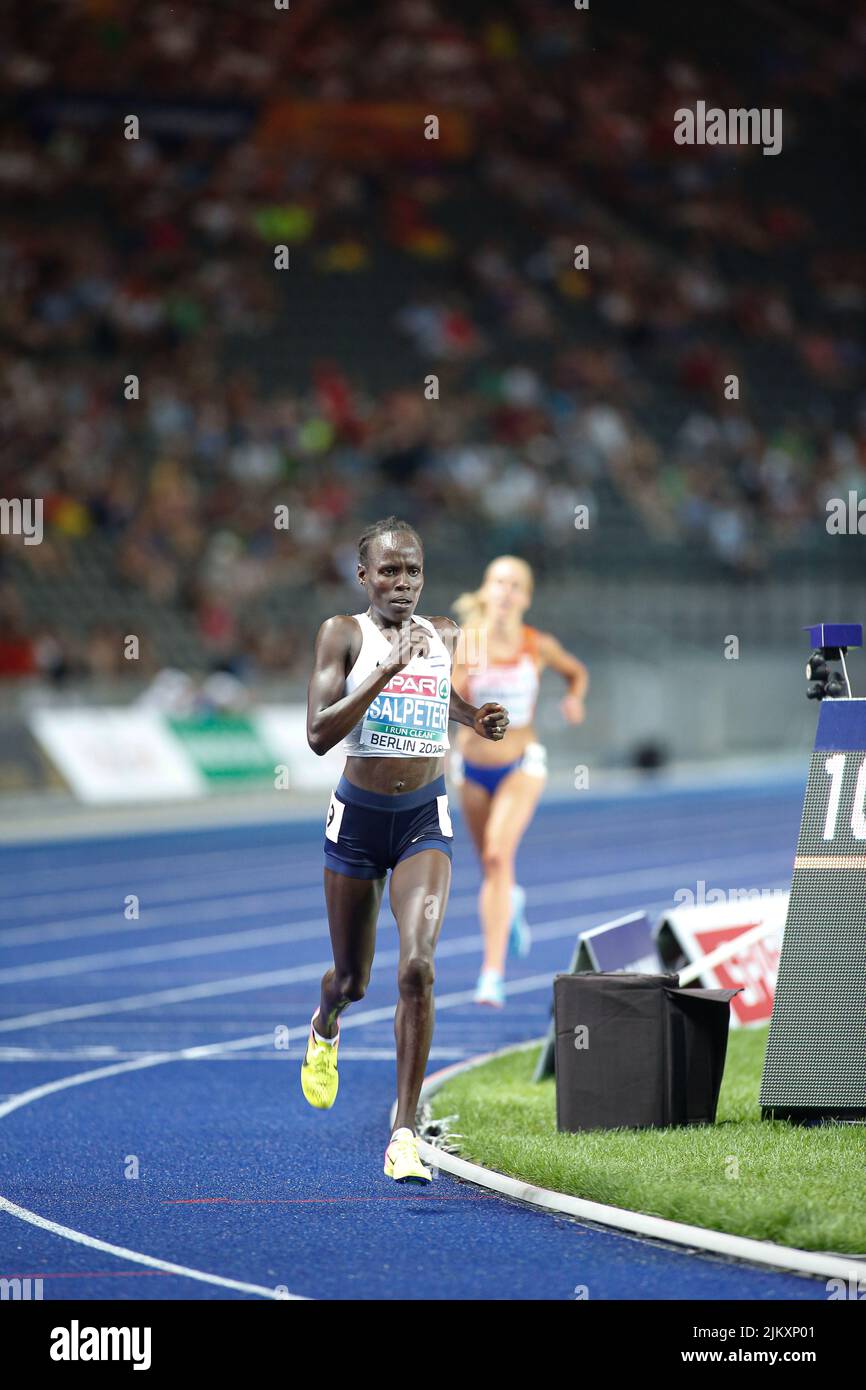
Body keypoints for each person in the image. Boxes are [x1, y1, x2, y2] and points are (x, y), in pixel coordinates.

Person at [302, 516, 509, 1182]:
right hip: (358, 824)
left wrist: (476, 718)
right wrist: (381, 674)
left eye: (413, 570)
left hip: (423, 818)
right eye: (389, 570)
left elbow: (440, 693)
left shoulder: (442, 634)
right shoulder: (342, 634)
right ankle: (326, 1019)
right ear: (363, 575)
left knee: (417, 969)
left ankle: (403, 1131)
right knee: (354, 980)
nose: (403, 583)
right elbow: (317, 733)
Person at [449, 555, 588, 1006]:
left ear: (526, 598)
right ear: (486, 591)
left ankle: (492, 974)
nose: (505, 592)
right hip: (470, 770)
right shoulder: (468, 643)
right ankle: (511, 899)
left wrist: (574, 699)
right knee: (490, 869)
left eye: (515, 585)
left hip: (522, 765)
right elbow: (449, 701)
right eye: (498, 582)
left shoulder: (537, 644)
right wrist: (459, 688)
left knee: (495, 855)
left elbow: (576, 672)